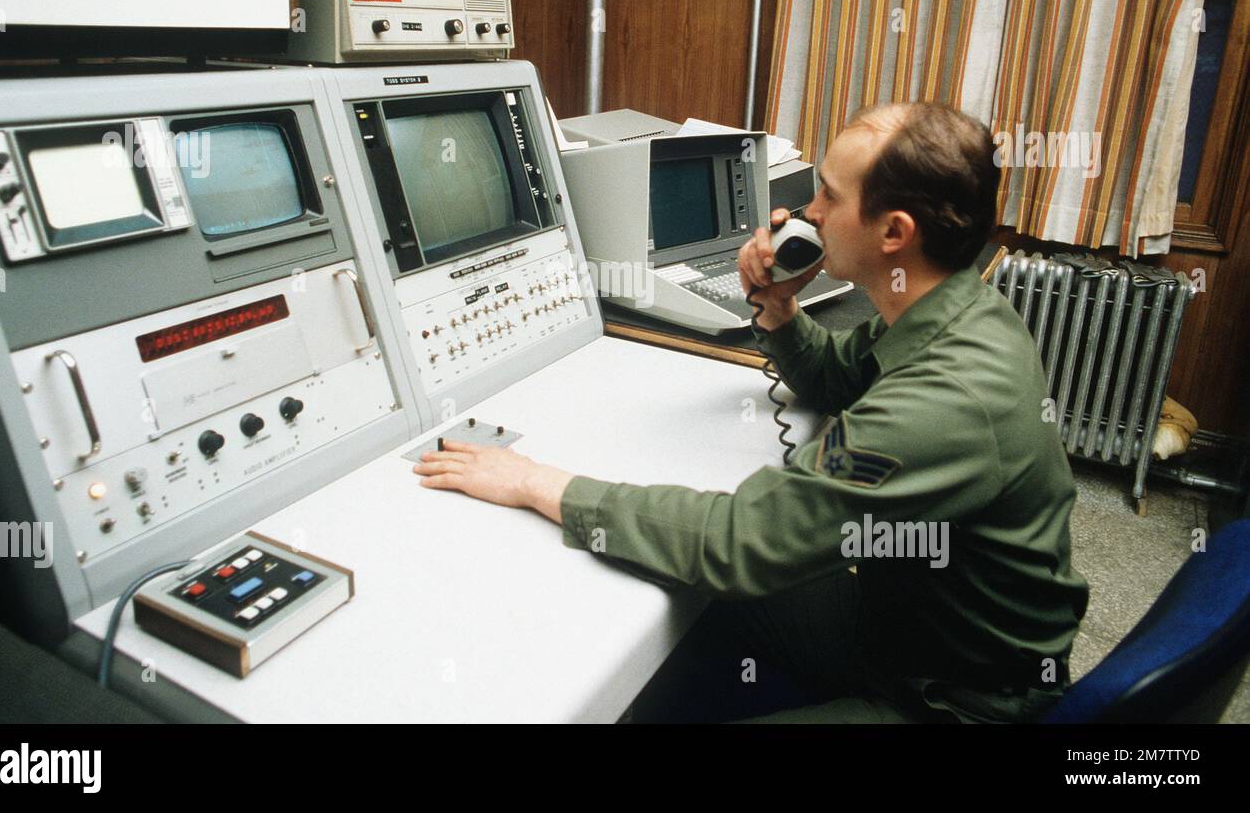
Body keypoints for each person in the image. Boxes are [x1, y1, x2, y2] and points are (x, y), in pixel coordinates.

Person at [413, 102, 1089, 723]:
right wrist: (778, 306)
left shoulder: (946, 400)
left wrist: (539, 483)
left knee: (704, 580)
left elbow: (735, 542)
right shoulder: (951, 307)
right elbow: (834, 377)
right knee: (684, 609)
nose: (809, 211)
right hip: (911, 623)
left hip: (953, 698)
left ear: (894, 231)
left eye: (829, 193)